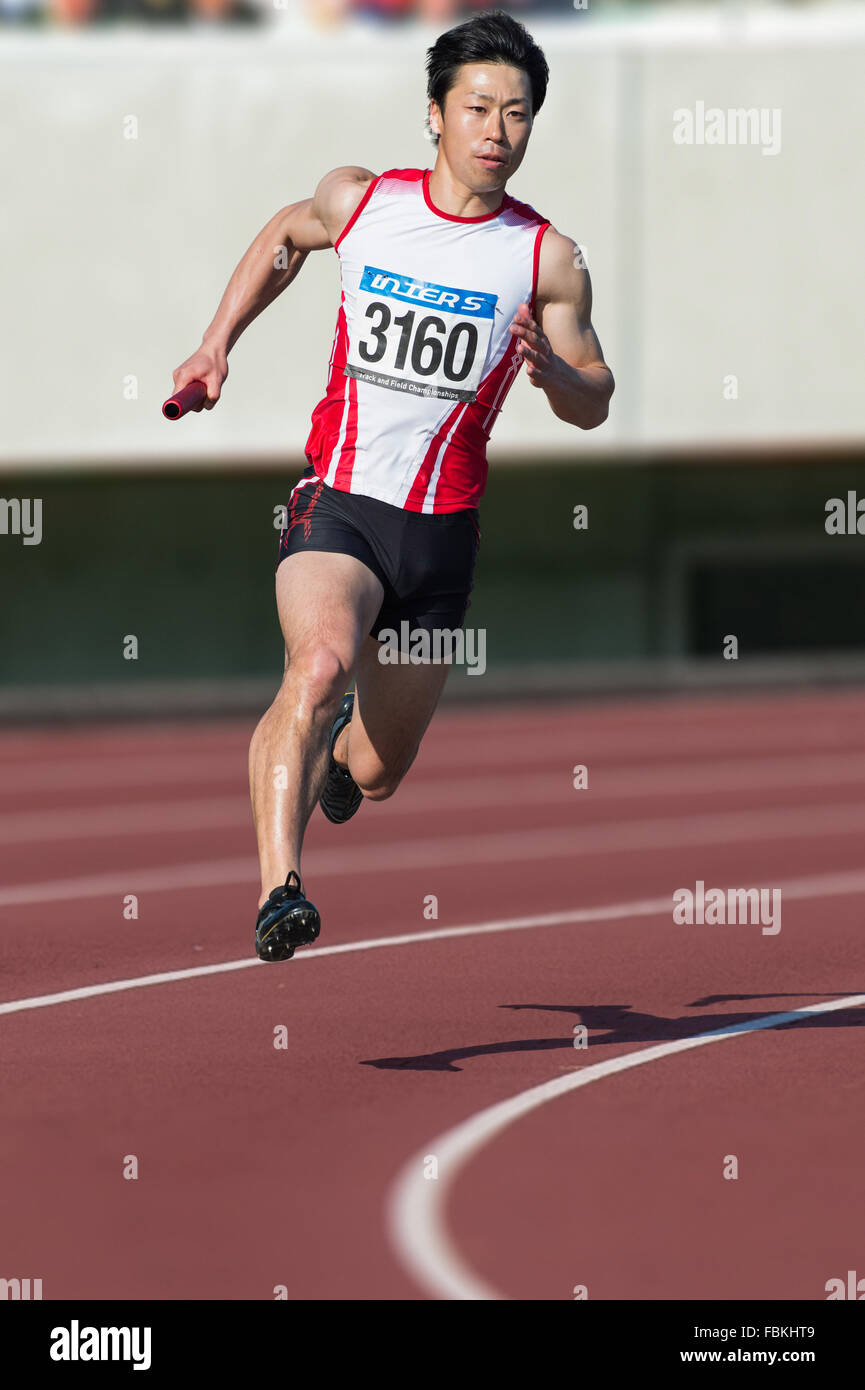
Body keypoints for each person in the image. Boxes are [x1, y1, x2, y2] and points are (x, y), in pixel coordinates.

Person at [170, 10, 614, 963]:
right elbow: (287, 236)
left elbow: (596, 401)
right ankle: (278, 891)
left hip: (440, 539)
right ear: (435, 115)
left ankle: (332, 762)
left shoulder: (545, 259)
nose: (498, 130)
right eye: (479, 108)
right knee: (318, 668)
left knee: (374, 772)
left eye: (519, 114)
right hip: (339, 505)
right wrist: (216, 346)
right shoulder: (363, 202)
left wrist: (558, 378)